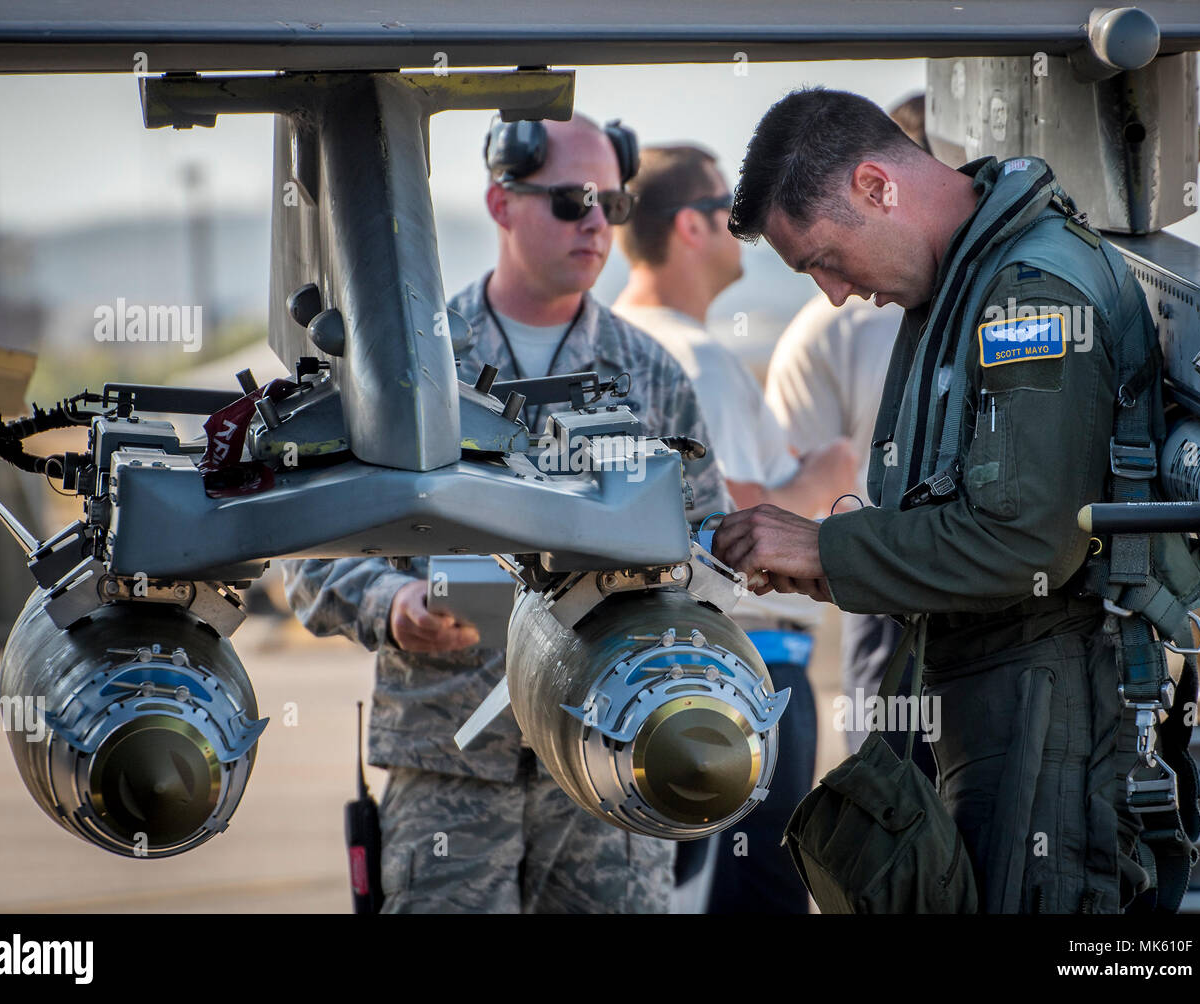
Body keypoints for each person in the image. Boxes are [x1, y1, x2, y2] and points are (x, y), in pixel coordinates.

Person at [712, 86, 1188, 914]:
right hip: (1004, 702)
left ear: (875, 186)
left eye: (823, 258)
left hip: (1054, 719)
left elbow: (1030, 543)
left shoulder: (1028, 291)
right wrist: (841, 561)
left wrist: (825, 550)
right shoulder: (961, 282)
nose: (831, 294)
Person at [280, 113, 729, 913]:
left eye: (612, 206)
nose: (595, 223)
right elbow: (309, 553)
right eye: (571, 201)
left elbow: (708, 553)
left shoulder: (651, 374)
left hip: (609, 758)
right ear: (500, 201)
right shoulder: (406, 368)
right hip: (451, 764)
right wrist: (394, 606)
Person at [613, 144, 848, 914]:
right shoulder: (699, 359)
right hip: (751, 674)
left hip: (647, 680)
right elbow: (732, 519)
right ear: (688, 227)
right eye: (726, 212)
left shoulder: (608, 342)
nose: (741, 230)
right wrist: (827, 473)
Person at [763, 94, 932, 773]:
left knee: (886, 810)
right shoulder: (831, 330)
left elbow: (789, 500)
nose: (839, 288)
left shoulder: (818, 332)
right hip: (886, 594)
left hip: (882, 595)